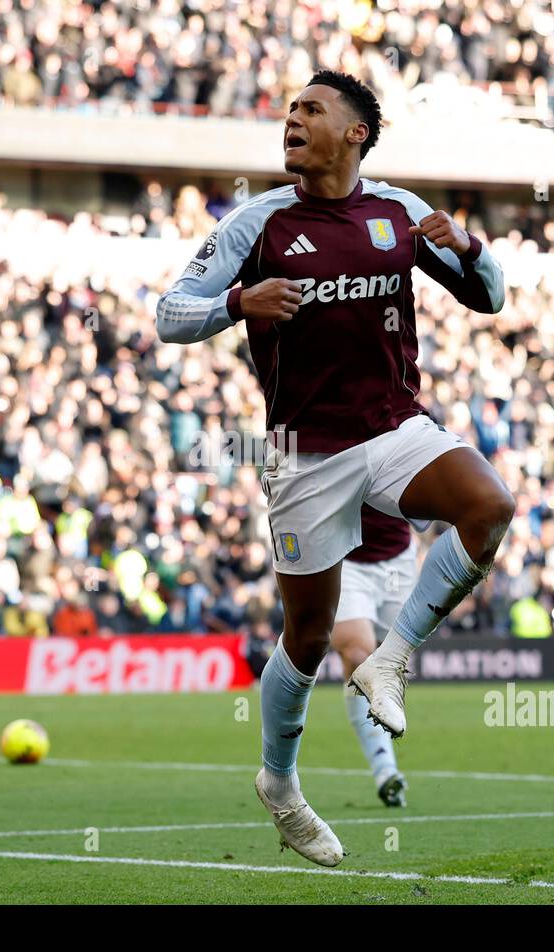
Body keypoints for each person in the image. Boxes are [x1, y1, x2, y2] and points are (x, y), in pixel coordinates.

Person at [157, 70, 512, 866]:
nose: (293, 120)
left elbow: (489, 297)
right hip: (304, 455)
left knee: (488, 506)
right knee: (308, 638)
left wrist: (472, 250)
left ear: (355, 133)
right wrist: (235, 307)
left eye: (311, 110)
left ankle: (393, 658)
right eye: (289, 110)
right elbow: (169, 314)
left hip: (393, 428)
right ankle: (280, 787)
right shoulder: (259, 222)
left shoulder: (400, 212)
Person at [332, 506, 416, 807]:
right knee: (357, 655)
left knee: (390, 664)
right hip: (345, 555)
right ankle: (385, 768)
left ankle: (386, 765)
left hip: (399, 559)